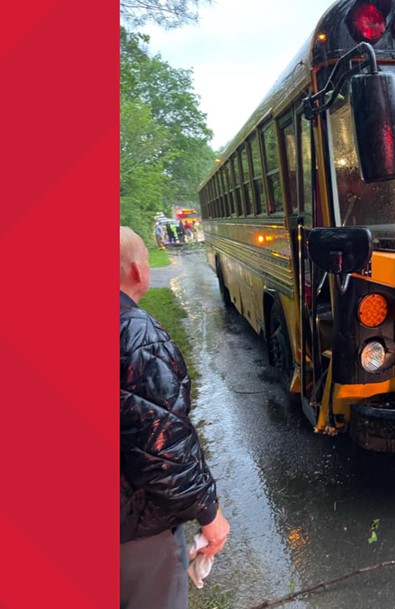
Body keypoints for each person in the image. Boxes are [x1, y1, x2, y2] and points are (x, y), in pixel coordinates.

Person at [120, 226, 230, 608]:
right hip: (134, 532)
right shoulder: (136, 334)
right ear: (137, 271)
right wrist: (209, 513)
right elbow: (163, 445)